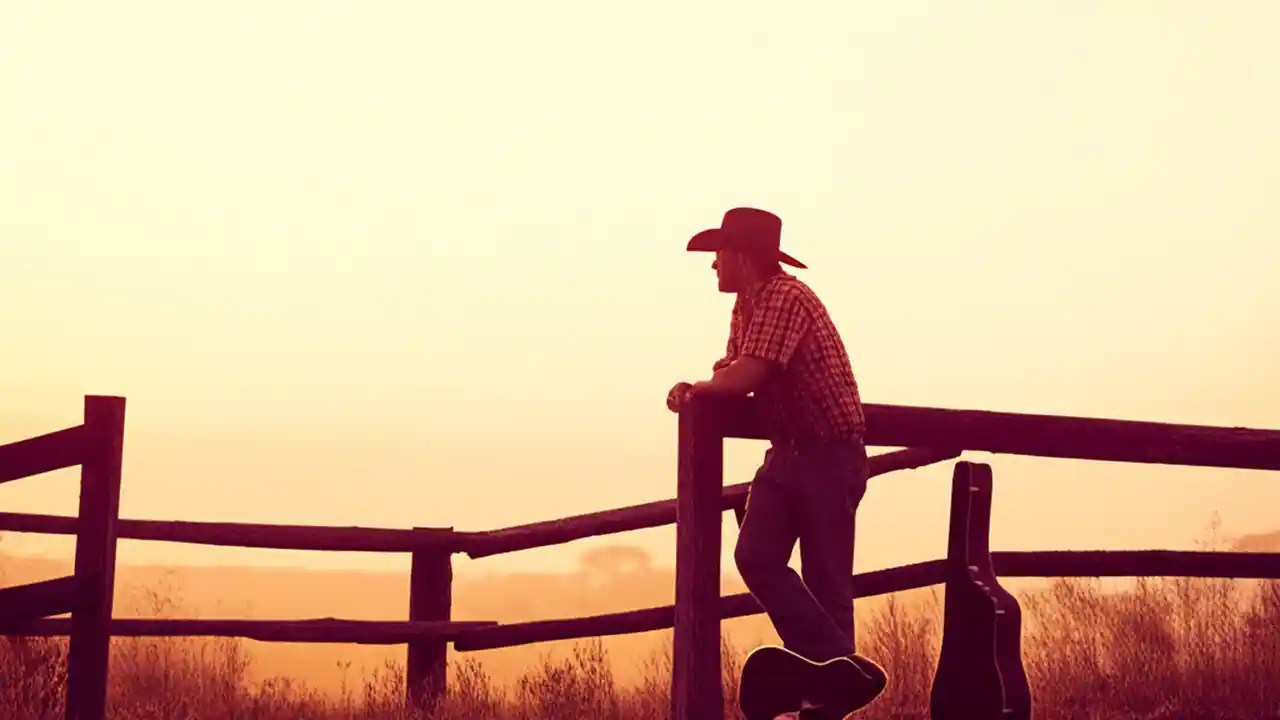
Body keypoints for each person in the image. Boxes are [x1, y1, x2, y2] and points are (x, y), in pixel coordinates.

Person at [667, 207, 886, 718]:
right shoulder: (750, 304)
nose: (713, 265)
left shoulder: (786, 298)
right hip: (789, 454)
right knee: (757, 556)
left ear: (742, 256)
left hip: (829, 455)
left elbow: (743, 376)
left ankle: (827, 690)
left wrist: (698, 388)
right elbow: (734, 370)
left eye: (719, 254)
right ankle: (836, 668)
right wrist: (710, 385)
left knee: (826, 581)